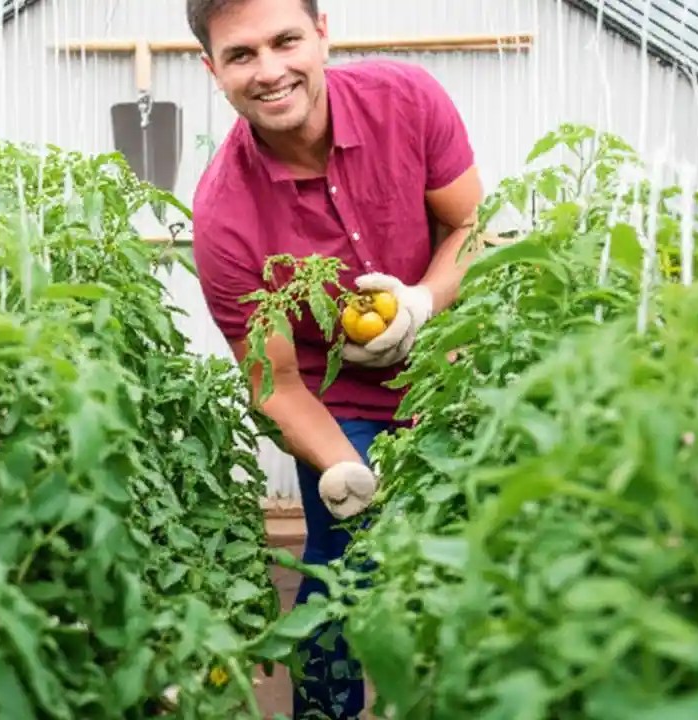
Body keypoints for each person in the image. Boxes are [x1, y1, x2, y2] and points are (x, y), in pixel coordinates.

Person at [185, 0, 484, 717]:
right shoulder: (225, 214)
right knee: (341, 573)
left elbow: (470, 226)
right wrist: (344, 465)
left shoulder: (406, 102)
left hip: (450, 375)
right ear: (213, 71)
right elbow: (278, 381)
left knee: (471, 560)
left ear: (322, 34)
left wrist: (420, 303)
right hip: (339, 403)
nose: (270, 70)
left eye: (286, 40)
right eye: (242, 55)